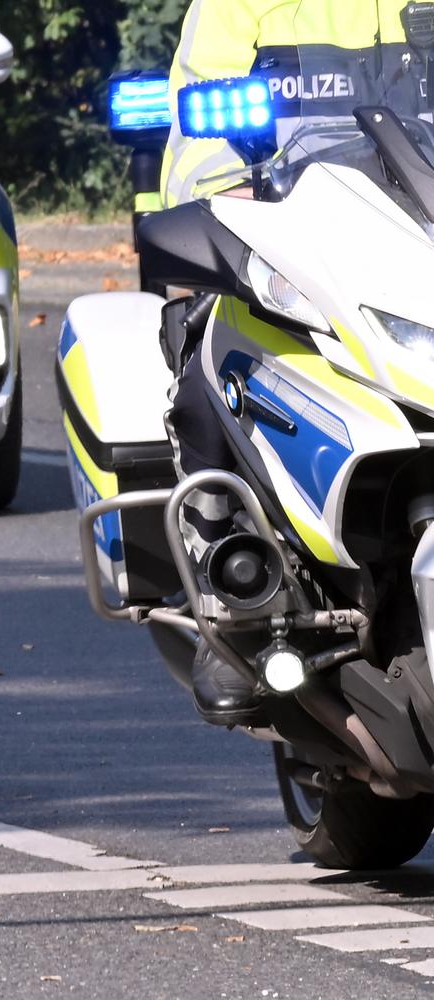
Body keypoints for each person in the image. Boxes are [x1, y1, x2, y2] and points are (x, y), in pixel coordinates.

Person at [160, 0, 411, 724]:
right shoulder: (238, 5)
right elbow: (194, 144)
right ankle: (232, 596)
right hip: (295, 249)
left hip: (418, 243)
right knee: (213, 363)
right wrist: (232, 197)